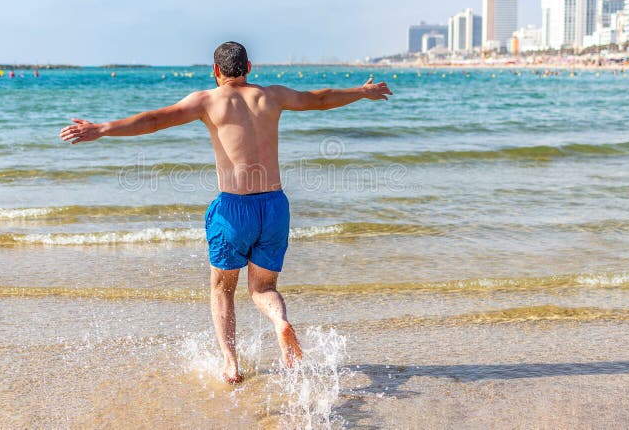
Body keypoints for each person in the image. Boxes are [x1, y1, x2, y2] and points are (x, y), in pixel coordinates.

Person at [59, 42, 392, 383]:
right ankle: (280, 322)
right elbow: (320, 99)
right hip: (275, 206)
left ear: (215, 71)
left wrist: (101, 129)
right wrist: (362, 92)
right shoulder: (273, 95)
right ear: (250, 66)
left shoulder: (207, 100)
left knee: (222, 289)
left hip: (234, 209)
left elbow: (155, 120)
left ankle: (231, 364)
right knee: (263, 289)